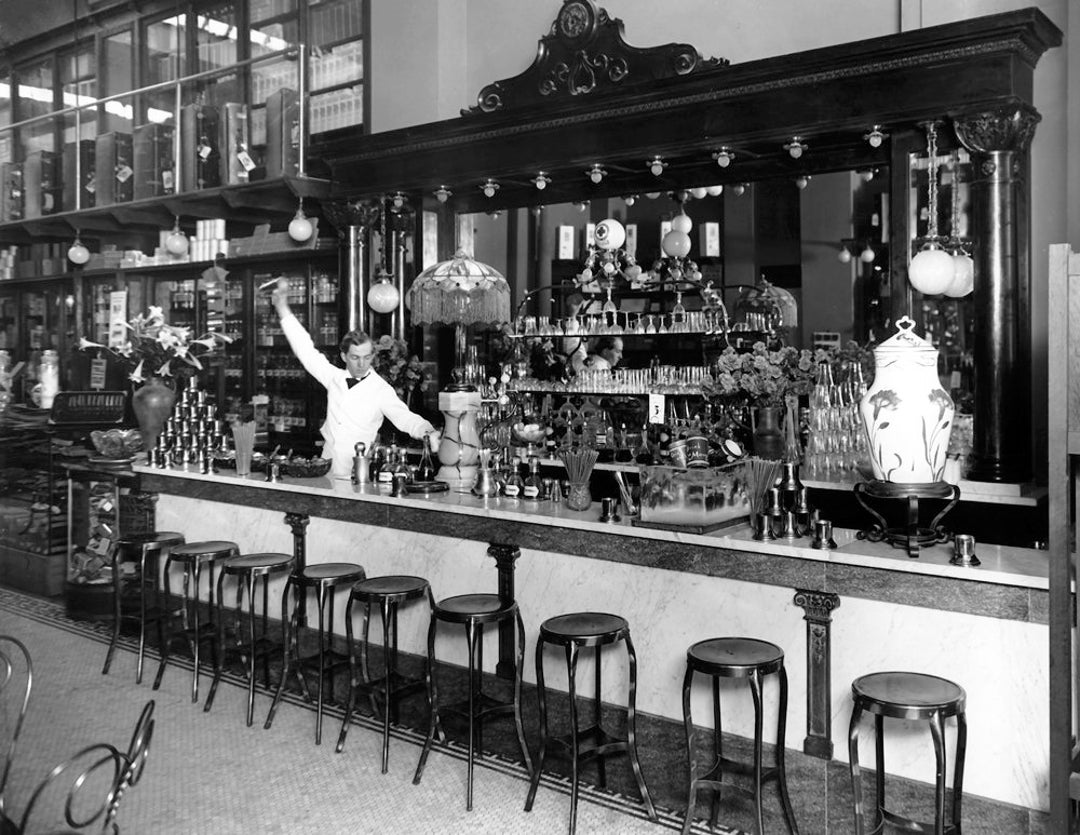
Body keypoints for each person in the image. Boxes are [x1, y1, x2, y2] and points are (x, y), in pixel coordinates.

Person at [272, 284, 436, 478]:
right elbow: (305, 351)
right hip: (326, 465)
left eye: (367, 357)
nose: (361, 364)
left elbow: (405, 418)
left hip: (358, 470)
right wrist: (283, 310)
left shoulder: (380, 389)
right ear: (344, 356)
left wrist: (428, 431)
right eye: (355, 357)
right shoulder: (334, 378)